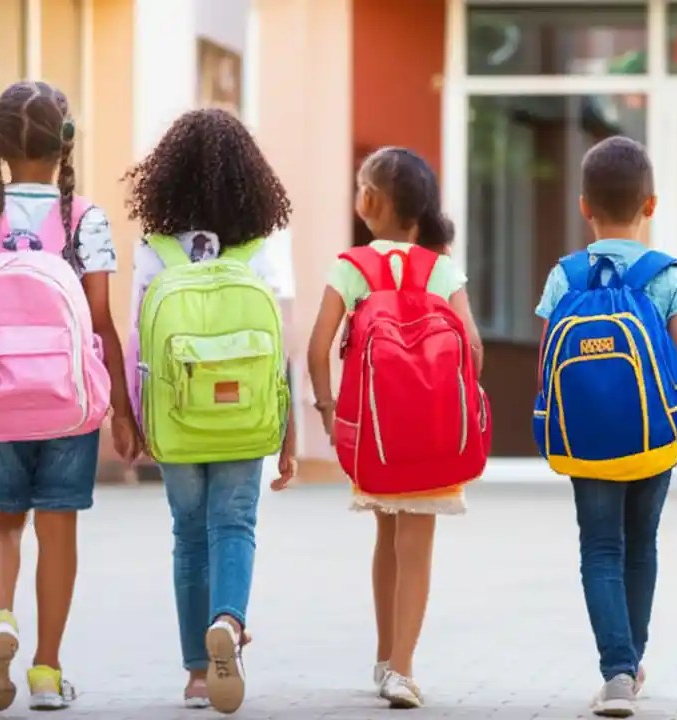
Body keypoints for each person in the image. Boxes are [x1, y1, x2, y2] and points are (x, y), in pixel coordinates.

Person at [0, 80, 140, 712]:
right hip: (67, 400)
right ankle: (47, 671)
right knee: (57, 527)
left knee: (0, 520)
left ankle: (0, 618)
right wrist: (123, 410)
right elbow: (100, 321)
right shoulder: (85, 218)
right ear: (64, 146)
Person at [124, 108, 296, 714]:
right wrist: (289, 430)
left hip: (174, 415)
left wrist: (133, 419)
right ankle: (229, 621)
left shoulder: (155, 252)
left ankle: (198, 674)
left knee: (187, 535)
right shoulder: (260, 251)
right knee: (235, 525)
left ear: (165, 178)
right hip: (245, 416)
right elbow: (281, 345)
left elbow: (134, 342)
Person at [306, 146, 483, 710]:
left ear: (370, 201)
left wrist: (330, 409)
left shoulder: (352, 266)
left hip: (377, 434)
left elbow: (317, 346)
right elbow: (472, 345)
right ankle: (403, 668)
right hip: (433, 430)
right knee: (417, 542)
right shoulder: (442, 268)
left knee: (386, 534)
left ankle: (385, 657)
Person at [534, 136, 677, 718]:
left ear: (584, 206)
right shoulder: (668, 275)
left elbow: (546, 369)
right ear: (650, 205)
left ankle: (617, 672)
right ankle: (633, 660)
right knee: (641, 546)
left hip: (588, 443)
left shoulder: (564, 276)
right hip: (652, 439)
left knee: (600, 547)